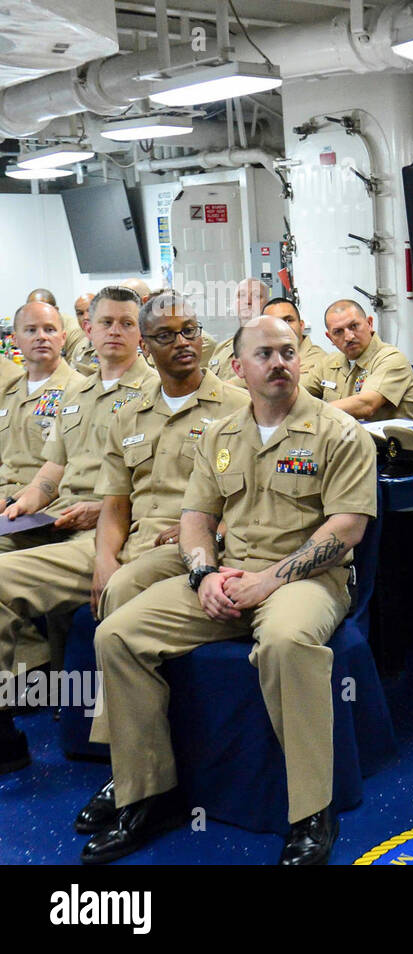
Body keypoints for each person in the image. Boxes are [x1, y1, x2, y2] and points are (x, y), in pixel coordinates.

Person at [83, 315, 376, 866]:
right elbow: (196, 517)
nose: (279, 363)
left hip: (307, 578)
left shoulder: (339, 431)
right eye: (264, 354)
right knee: (119, 633)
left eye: (287, 351)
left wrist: (266, 582)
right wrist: (203, 575)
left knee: (288, 643)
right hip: (230, 575)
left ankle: (312, 811)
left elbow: (345, 530)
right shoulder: (218, 436)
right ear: (238, 367)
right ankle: (147, 793)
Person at [0, 292, 247, 777]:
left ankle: (130, 773)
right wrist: (30, 507)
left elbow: (236, 498)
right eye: (104, 323)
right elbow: (82, 482)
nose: (181, 342)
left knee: (110, 610)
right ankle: (10, 720)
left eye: (190, 331)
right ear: (89, 332)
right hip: (88, 532)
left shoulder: (215, 403)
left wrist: (113, 548)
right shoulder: (102, 404)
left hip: (157, 542)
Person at [2, 286, 155, 554]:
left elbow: (160, 485)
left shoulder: (155, 393)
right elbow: (54, 467)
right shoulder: (76, 394)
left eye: (127, 323)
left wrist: (104, 509)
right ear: (88, 330)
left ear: (141, 333)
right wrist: (25, 502)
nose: (115, 331)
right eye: (106, 323)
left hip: (108, 523)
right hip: (55, 519)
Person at [0, 301, 79, 510]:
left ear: (63, 338)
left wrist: (10, 502)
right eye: (31, 330)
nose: (41, 336)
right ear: (15, 340)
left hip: (43, 504)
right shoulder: (9, 392)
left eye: (50, 329)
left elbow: (69, 465)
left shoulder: (79, 391)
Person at [305, 299, 413, 421]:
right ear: (330, 338)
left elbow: (366, 405)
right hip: (343, 438)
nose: (349, 337)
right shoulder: (328, 364)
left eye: (354, 326)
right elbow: (297, 394)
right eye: (338, 332)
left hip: (382, 439)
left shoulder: (391, 358)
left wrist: (312, 412)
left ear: (369, 324)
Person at [206, 278, 271, 384]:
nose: (248, 301)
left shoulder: (275, 346)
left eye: (256, 296)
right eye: (241, 296)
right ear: (233, 304)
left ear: (267, 304)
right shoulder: (221, 349)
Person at [262, 296, 327, 397]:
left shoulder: (319, 360)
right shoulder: (258, 356)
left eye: (288, 320)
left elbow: (280, 392)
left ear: (301, 326)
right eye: (274, 322)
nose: (283, 327)